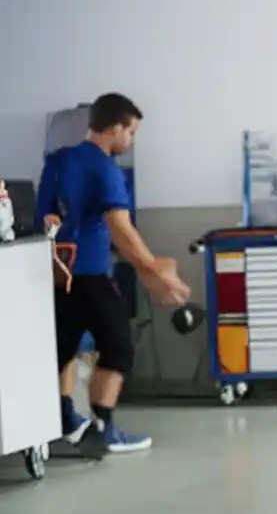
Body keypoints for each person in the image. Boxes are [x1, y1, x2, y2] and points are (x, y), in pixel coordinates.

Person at [35, 92, 191, 457]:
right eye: (131, 132)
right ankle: (103, 428)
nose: (130, 140)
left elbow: (45, 216)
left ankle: (63, 420)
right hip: (90, 271)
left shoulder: (57, 161)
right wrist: (155, 271)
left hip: (55, 273)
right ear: (115, 127)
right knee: (118, 345)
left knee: (61, 346)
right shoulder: (105, 169)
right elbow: (120, 227)